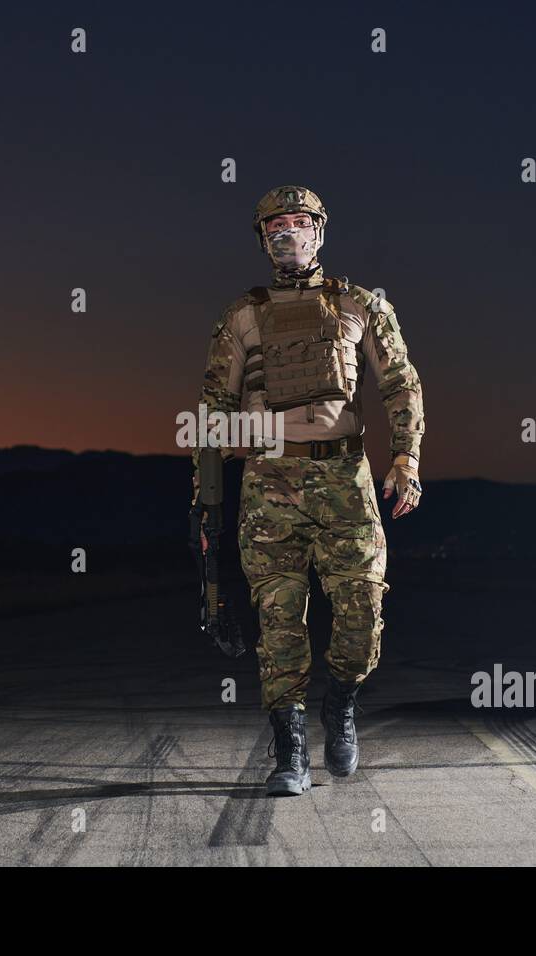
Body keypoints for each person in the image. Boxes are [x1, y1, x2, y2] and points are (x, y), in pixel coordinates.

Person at [192, 185, 425, 796]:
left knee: (363, 614)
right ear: (261, 237)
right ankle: (289, 749)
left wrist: (406, 455)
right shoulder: (241, 314)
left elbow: (400, 381)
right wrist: (208, 494)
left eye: (298, 222)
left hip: (345, 479)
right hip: (268, 481)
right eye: (275, 224)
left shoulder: (358, 304)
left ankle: (341, 701)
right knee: (279, 622)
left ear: (320, 231)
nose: (286, 233)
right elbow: (214, 406)